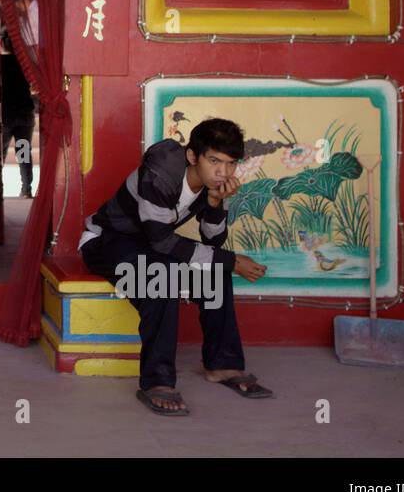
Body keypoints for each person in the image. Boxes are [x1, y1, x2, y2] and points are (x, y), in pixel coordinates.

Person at [79, 118, 273, 416]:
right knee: (162, 275)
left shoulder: (210, 182)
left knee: (215, 274)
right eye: (214, 161)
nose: (223, 172)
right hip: (107, 242)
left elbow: (213, 240)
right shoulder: (160, 174)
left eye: (231, 163)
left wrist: (215, 202)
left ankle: (222, 365)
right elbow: (162, 242)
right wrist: (233, 262)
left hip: (149, 244)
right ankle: (157, 382)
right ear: (192, 156)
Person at [0, 29, 35, 198]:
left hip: (6, 114)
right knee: (23, 152)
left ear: (2, 44)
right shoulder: (26, 64)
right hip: (24, 114)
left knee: (0, 152)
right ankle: (26, 188)